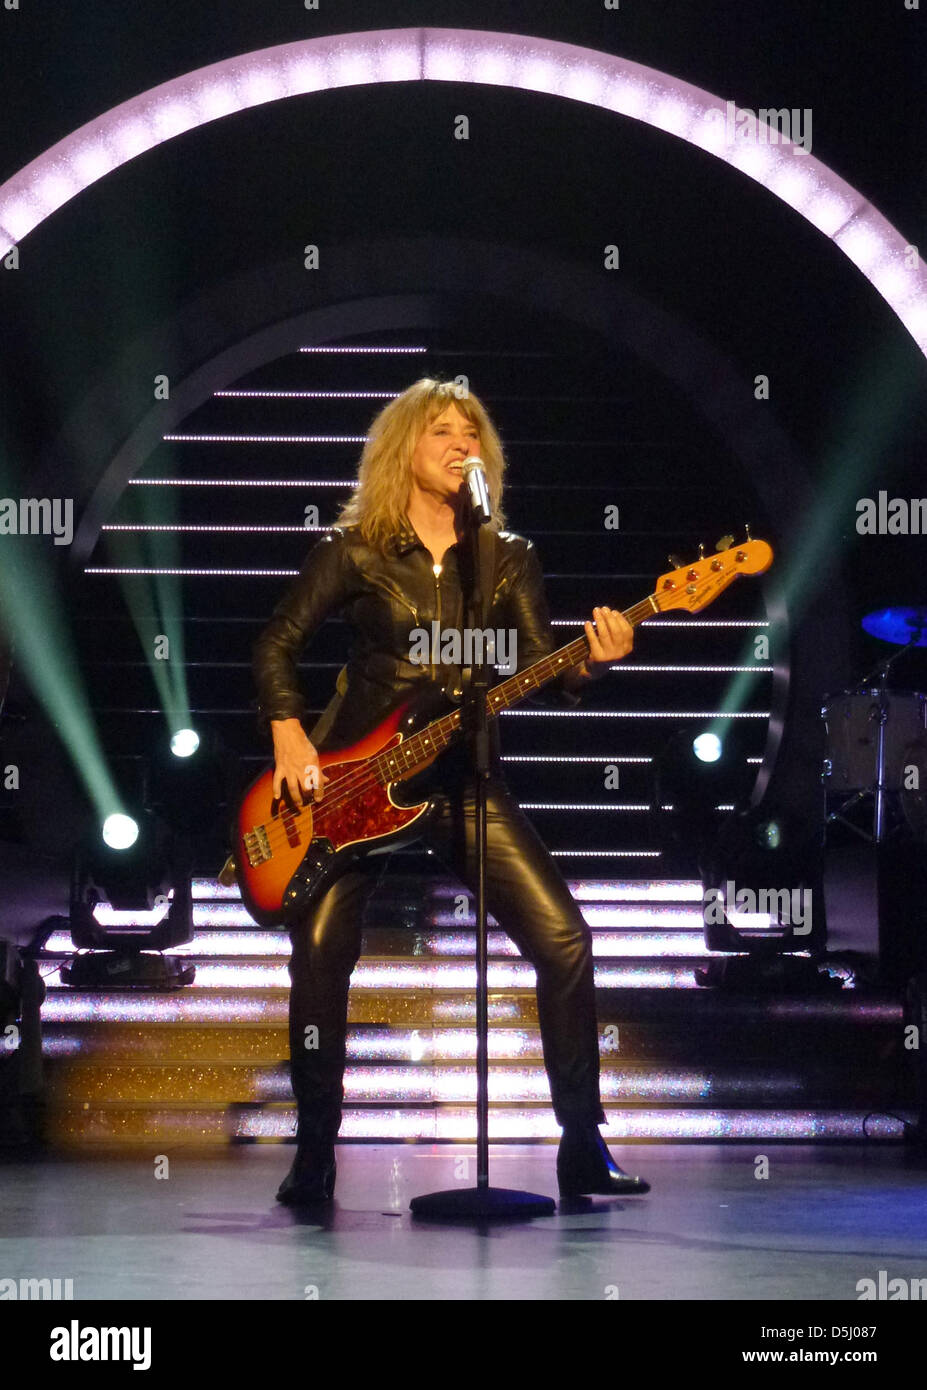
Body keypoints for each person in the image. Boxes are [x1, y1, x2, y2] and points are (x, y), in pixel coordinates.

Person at [252, 378, 650, 1205]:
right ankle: (315, 1152)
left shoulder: (507, 556)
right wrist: (289, 731)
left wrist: (595, 657)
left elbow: (546, 662)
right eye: (442, 431)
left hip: (463, 781)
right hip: (353, 788)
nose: (462, 443)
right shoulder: (354, 548)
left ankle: (582, 1145)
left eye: (471, 432)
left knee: (566, 942)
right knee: (320, 956)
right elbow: (276, 645)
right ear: (405, 447)